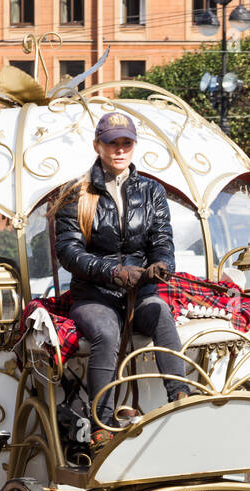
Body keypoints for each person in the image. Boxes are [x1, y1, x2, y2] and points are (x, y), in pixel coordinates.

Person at [53, 111, 189, 448]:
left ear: (133, 146)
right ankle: (103, 420)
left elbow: (162, 241)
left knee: (161, 315)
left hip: (140, 291)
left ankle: (182, 398)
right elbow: (68, 252)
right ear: (98, 145)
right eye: (112, 142)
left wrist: (161, 265)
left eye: (126, 142)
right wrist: (112, 272)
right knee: (106, 331)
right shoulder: (75, 194)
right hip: (93, 295)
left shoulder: (152, 191)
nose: (119, 149)